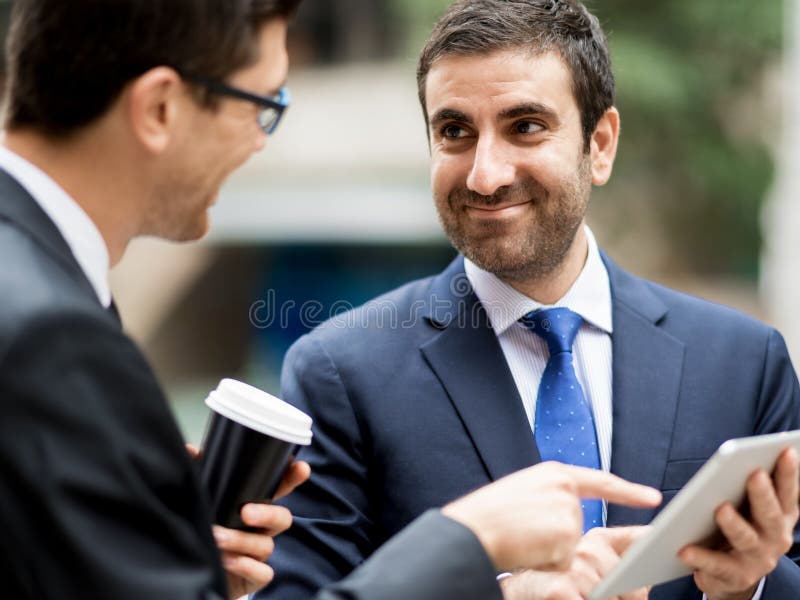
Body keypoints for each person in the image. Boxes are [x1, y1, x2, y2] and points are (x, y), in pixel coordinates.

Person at [0, 1, 663, 599]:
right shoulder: (49, 334)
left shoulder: (40, 299)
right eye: (261, 105)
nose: (260, 142)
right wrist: (467, 543)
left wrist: (172, 559)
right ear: (160, 109)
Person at [260, 1, 800, 599]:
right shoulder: (339, 374)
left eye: (525, 126)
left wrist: (746, 587)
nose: (485, 176)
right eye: (455, 132)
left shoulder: (743, 364)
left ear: (600, 145)